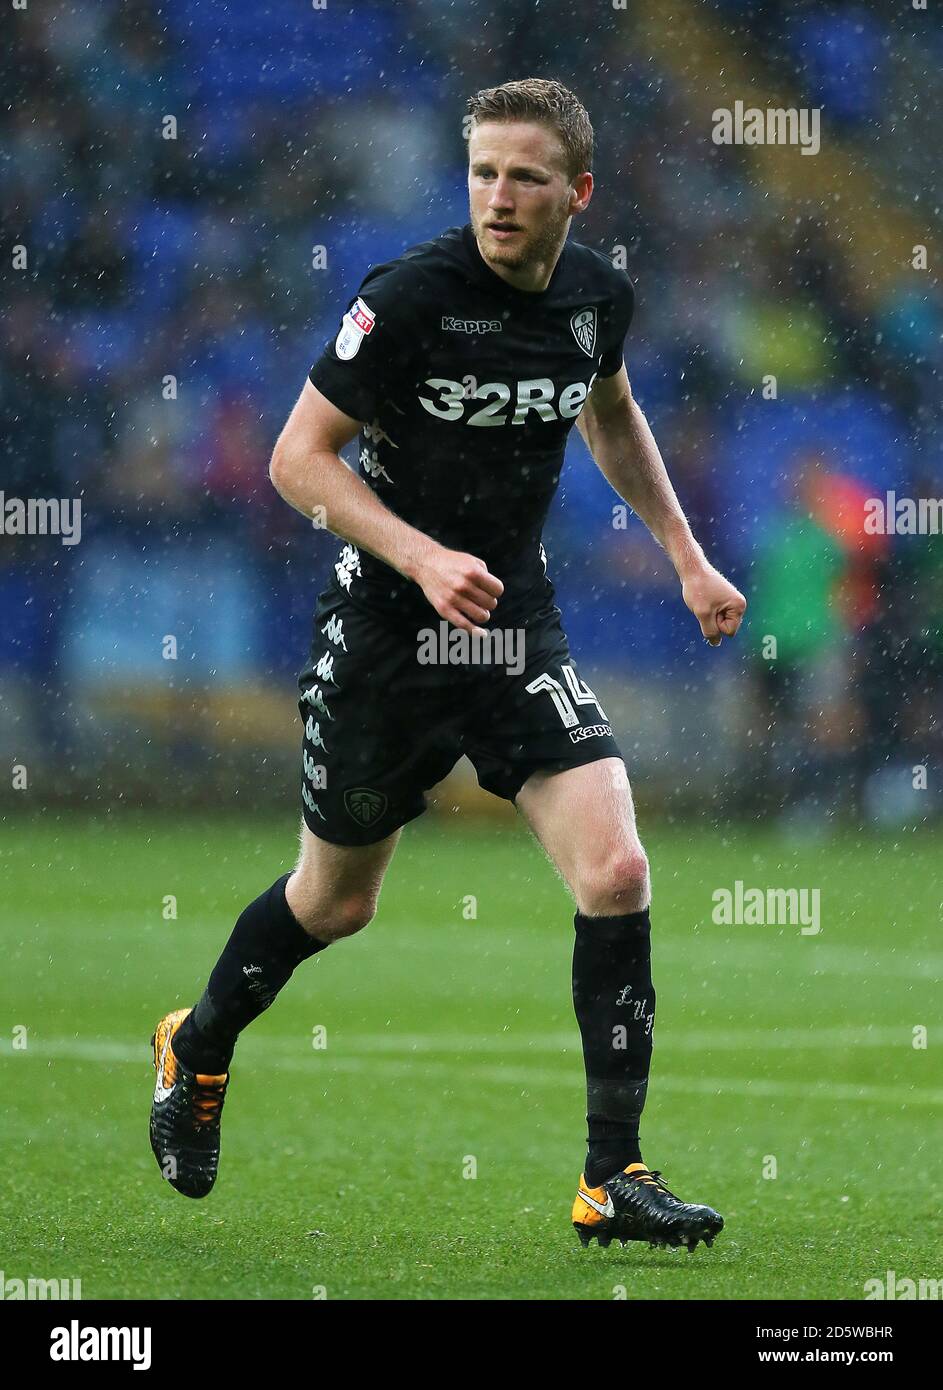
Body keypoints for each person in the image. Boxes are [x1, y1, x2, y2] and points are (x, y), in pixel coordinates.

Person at [149, 78, 746, 1252]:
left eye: (525, 176)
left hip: (511, 627)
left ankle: (609, 1175)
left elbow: (609, 413)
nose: (498, 197)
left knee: (616, 866)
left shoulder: (593, 298)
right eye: (481, 171)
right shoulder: (411, 297)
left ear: (577, 191)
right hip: (385, 634)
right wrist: (421, 557)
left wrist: (684, 554)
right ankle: (198, 1043)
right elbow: (296, 460)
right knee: (337, 901)